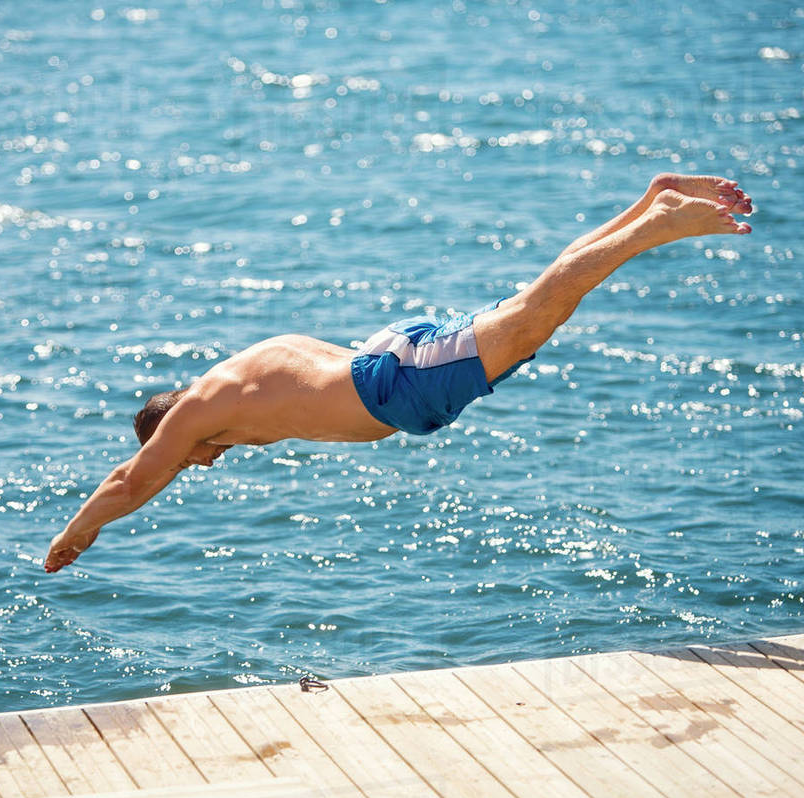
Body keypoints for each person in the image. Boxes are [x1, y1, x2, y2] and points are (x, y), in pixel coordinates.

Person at [44, 173, 753, 572]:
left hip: (396, 385)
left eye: (190, 460)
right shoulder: (243, 368)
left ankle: (659, 224)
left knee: (539, 312)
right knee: (537, 309)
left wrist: (75, 534)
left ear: (166, 429)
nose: (201, 464)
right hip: (392, 360)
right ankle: (649, 200)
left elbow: (131, 481)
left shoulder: (197, 412)